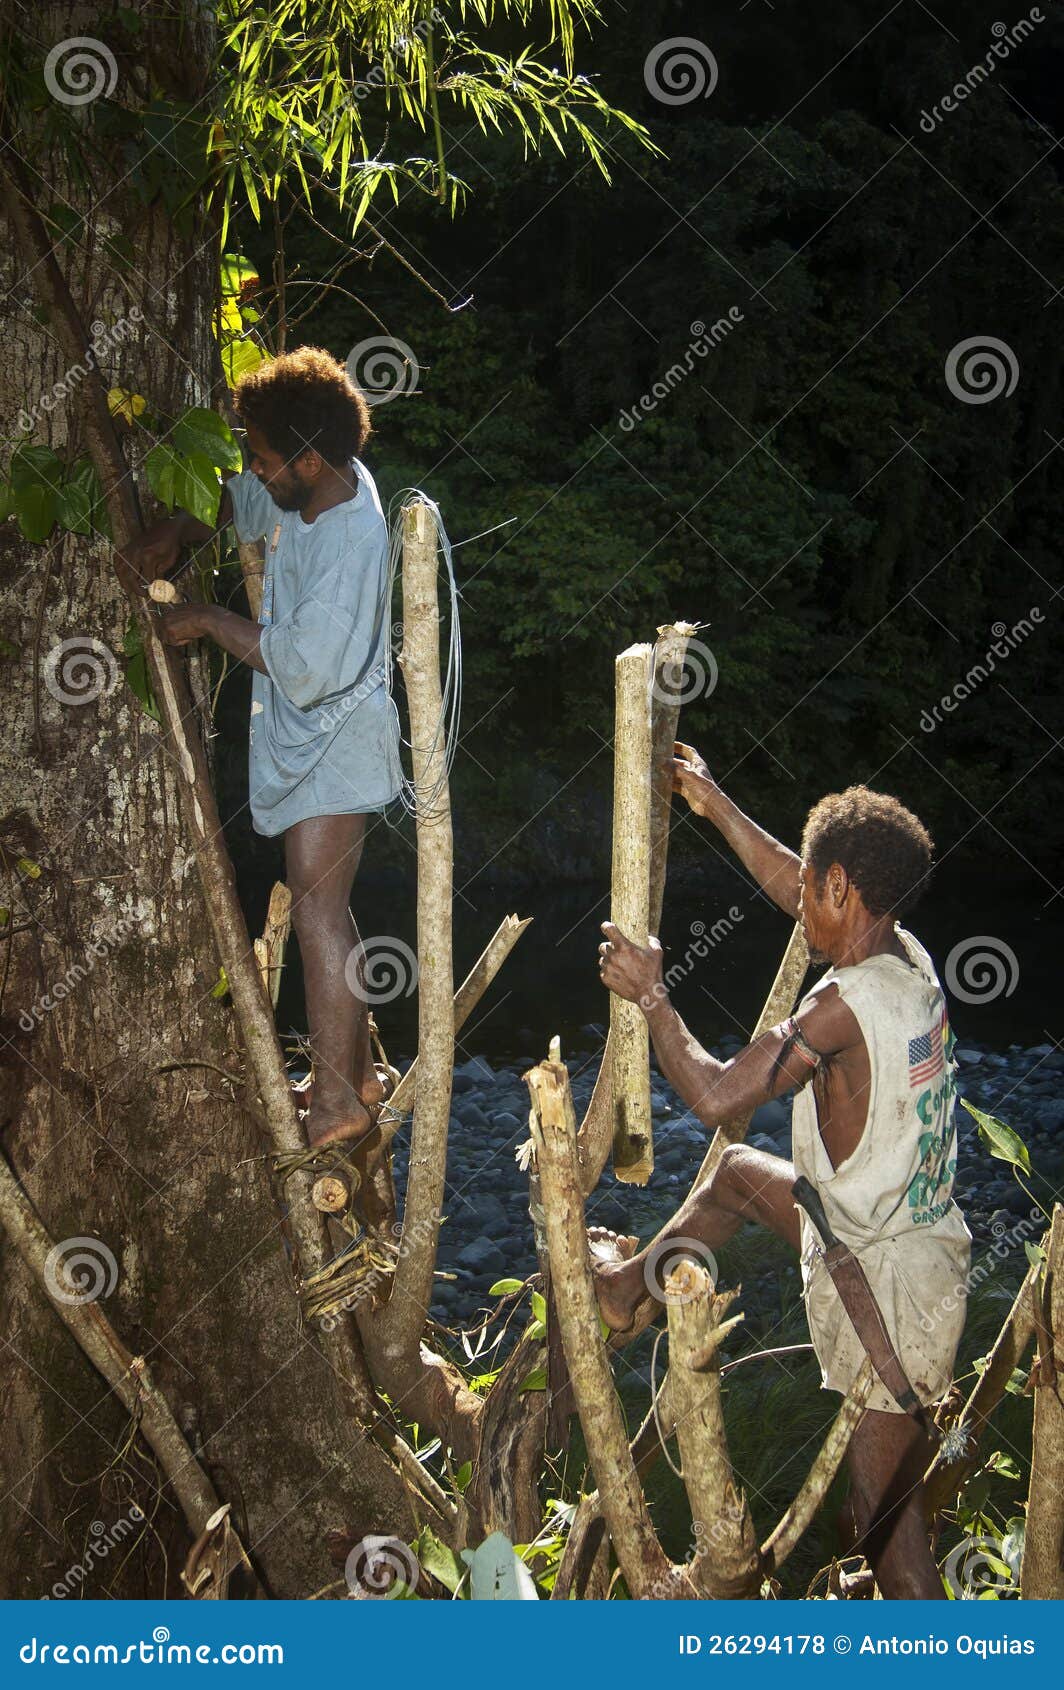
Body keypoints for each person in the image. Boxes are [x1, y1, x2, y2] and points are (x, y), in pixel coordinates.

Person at [592, 745, 971, 1599]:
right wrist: (713, 802)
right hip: (890, 1232)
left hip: (887, 1285)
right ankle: (623, 1291)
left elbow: (714, 1094)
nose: (797, 899)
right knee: (734, 1174)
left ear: (842, 888)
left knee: (880, 1521)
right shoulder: (905, 956)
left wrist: (652, 995)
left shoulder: (839, 1007)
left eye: (812, 886)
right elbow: (796, 886)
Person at [126, 348, 402, 1148]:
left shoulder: (351, 539)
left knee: (318, 910)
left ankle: (338, 1104)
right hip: (312, 742)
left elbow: (307, 668)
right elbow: (243, 498)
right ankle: (356, 1077)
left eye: (263, 454)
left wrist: (210, 620)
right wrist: (178, 528)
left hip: (336, 745)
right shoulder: (312, 483)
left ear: (309, 462)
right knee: (327, 905)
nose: (253, 466)